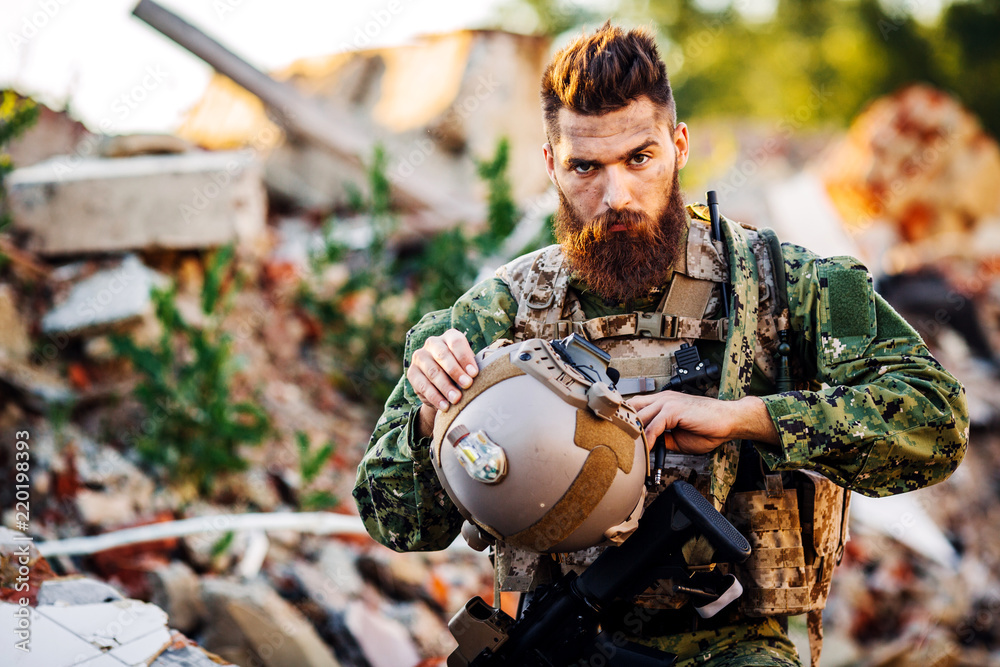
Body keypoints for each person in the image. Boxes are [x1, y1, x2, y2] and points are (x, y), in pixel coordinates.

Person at [353, 22, 969, 667]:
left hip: (732, 643)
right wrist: (434, 417)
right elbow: (396, 523)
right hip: (557, 637)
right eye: (584, 167)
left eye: (638, 159)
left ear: (677, 146)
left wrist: (746, 419)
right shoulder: (501, 309)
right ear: (550, 165)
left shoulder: (786, 286)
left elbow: (938, 421)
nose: (614, 197)